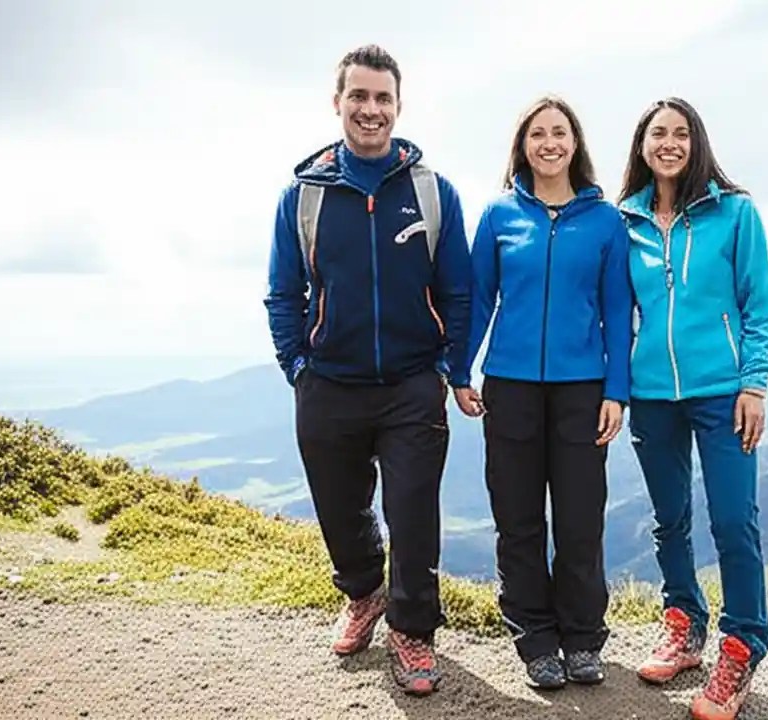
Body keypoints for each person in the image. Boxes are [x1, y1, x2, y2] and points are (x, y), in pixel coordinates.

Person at [262, 43, 473, 697]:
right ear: (338, 104)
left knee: (413, 515)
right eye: (359, 96)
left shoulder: (434, 194)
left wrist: (447, 367)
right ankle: (362, 593)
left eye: (383, 98)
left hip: (413, 383)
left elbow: (458, 291)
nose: (371, 109)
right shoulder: (303, 197)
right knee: (340, 509)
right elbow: (282, 292)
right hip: (329, 383)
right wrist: (299, 366)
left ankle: (412, 633)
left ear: (399, 107)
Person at [458, 94, 632, 690]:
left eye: (560, 132)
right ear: (523, 145)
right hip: (510, 389)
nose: (550, 143)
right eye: (539, 134)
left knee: (581, 521)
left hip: (583, 391)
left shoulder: (606, 221)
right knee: (519, 519)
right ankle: (535, 639)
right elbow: (479, 298)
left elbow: (616, 309)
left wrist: (617, 390)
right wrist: (459, 370)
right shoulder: (499, 215)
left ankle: (583, 639)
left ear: (576, 143)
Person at [617, 97, 768, 720]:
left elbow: (759, 307)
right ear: (642, 145)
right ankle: (684, 624)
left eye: (680, 134)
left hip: (722, 392)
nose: (669, 143)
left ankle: (741, 645)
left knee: (735, 521)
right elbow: (616, 312)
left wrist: (754, 384)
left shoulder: (735, 213)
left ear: (696, 143)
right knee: (669, 519)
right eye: (658, 133)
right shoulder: (623, 221)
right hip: (651, 395)